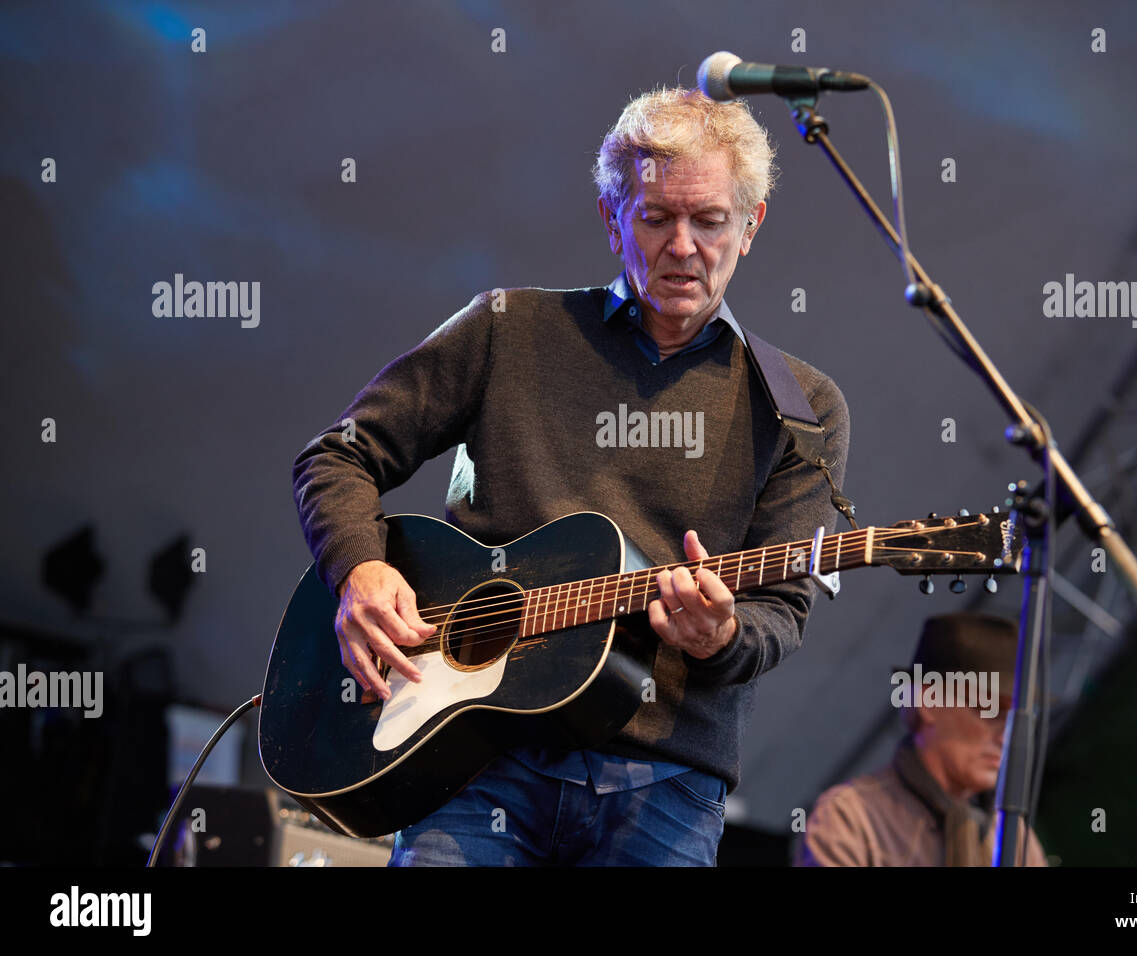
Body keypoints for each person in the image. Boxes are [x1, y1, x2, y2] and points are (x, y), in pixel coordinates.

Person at [290, 87, 851, 866]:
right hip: (473, 756)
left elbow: (782, 610)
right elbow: (339, 455)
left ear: (751, 225)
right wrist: (361, 569)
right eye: (656, 217)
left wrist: (721, 633)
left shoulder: (801, 406)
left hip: (667, 785)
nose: (683, 246)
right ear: (610, 216)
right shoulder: (507, 330)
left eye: (710, 220)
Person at [797, 612, 1048, 866]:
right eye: (990, 708)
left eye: (1020, 719)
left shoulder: (1014, 838)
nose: (1007, 735)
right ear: (928, 702)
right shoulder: (851, 818)